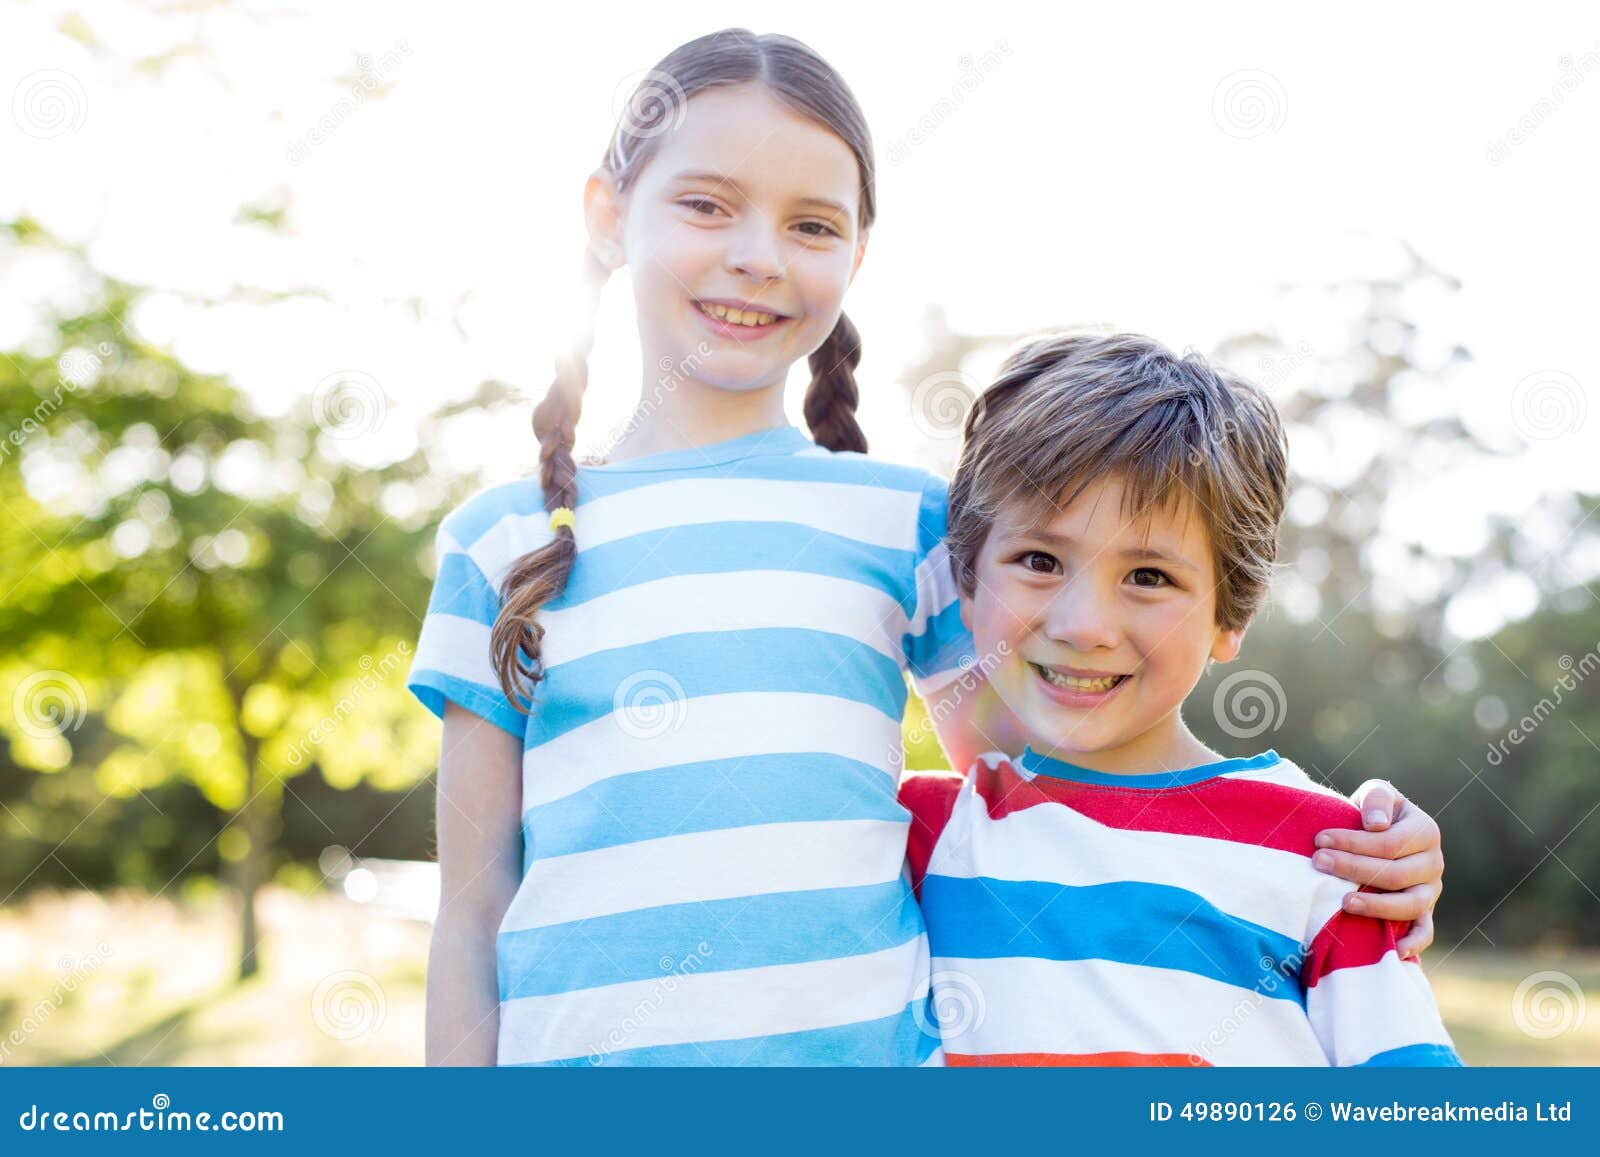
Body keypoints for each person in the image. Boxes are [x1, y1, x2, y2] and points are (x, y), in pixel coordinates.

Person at [408, 30, 1445, 1066]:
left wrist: (1341, 855)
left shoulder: (905, 521)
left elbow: (1045, 789)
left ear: (854, 258)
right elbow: (471, 907)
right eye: (706, 203)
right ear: (606, 216)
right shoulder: (500, 542)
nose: (758, 256)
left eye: (810, 224)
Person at [903, 333, 1461, 1065]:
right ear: (967, 587)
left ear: (1230, 617)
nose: (1084, 625)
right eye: (1039, 561)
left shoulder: (1329, 855)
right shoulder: (920, 837)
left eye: (1148, 576)